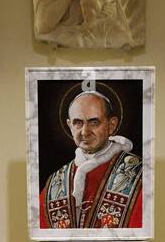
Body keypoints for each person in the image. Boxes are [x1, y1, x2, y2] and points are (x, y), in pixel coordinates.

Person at [40, 89, 142, 231]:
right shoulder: (54, 183)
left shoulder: (140, 175)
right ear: (70, 126)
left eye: (94, 122)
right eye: (78, 123)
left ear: (111, 125)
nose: (85, 132)